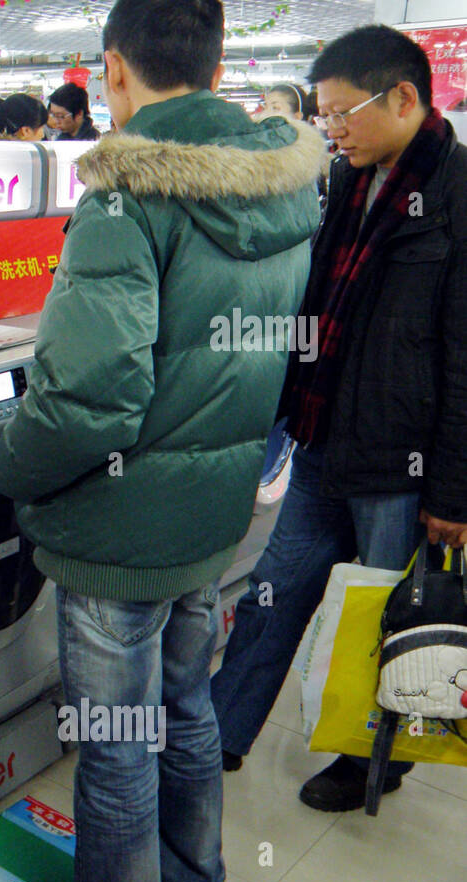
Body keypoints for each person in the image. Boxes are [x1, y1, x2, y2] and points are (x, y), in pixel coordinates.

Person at [0, 0, 325, 882]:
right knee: (185, 703)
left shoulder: (124, 194)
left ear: (115, 70)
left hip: (118, 530)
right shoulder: (288, 184)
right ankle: (194, 879)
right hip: (211, 513)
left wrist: (12, 471)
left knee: (116, 739)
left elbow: (93, 397)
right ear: (217, 69)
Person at [211, 24, 467, 811]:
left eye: (341, 112)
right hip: (325, 441)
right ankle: (221, 728)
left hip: (402, 462)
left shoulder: (457, 196)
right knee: (274, 588)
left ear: (403, 96)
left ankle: (374, 761)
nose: (331, 128)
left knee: (380, 618)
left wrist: (452, 494)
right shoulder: (348, 181)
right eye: (323, 115)